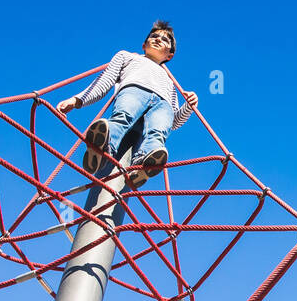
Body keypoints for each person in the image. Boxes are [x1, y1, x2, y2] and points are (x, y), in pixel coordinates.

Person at [57, 20, 199, 188]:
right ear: (144, 45)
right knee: (122, 117)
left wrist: (188, 107)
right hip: (135, 90)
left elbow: (174, 122)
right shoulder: (127, 56)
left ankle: (144, 165)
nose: (158, 39)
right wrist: (77, 100)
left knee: (159, 133)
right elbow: (104, 81)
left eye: (165, 40)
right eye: (154, 36)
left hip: (163, 103)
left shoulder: (170, 83)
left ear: (170, 55)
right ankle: (104, 146)